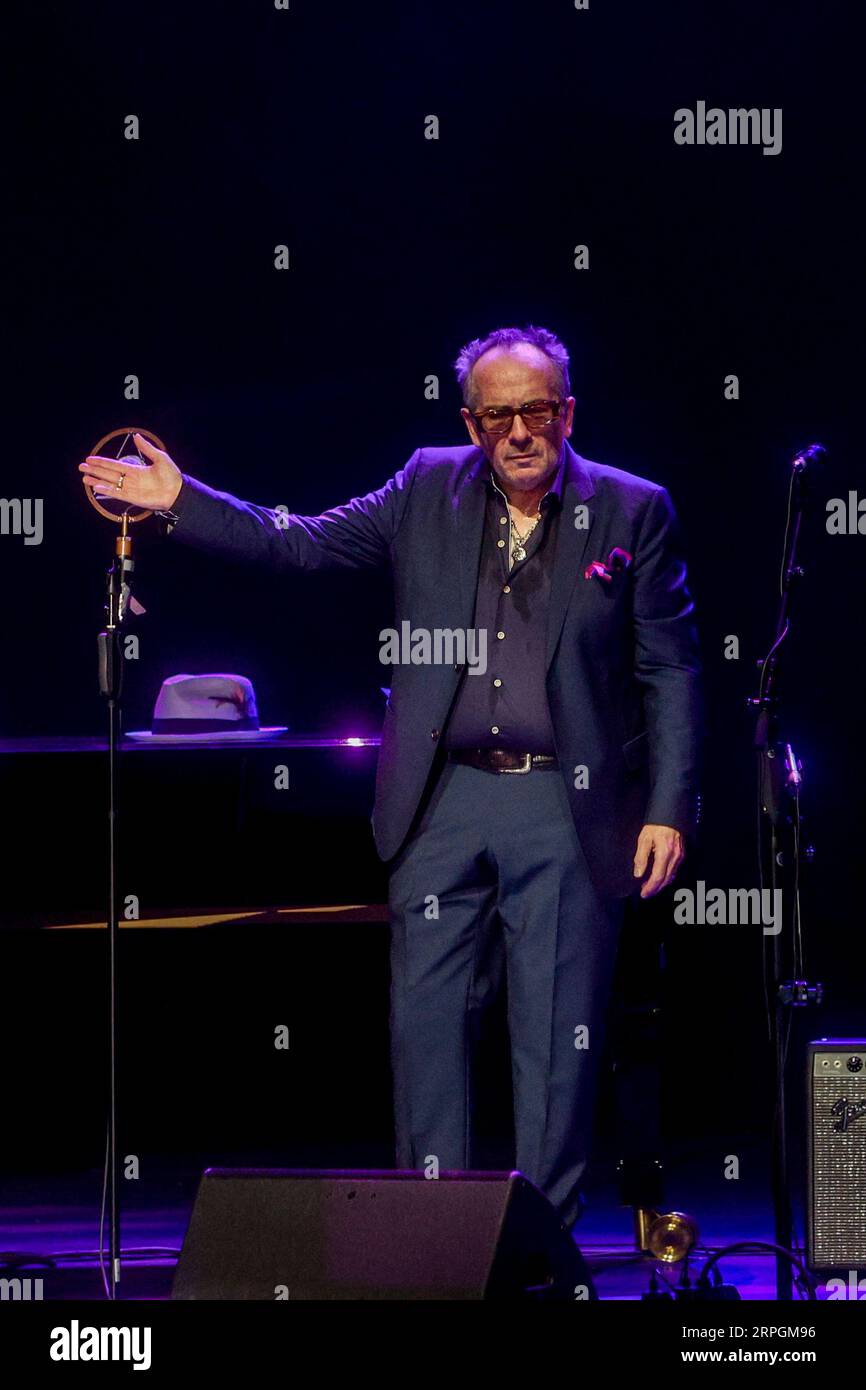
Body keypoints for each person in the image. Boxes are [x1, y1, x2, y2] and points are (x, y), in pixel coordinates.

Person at [79, 325, 702, 1229]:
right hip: (440, 800)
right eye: (498, 417)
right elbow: (300, 544)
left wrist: (668, 806)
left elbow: (672, 670)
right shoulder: (424, 487)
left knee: (557, 1041)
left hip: (565, 805)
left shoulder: (632, 510)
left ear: (567, 412)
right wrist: (182, 502)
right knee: (426, 1031)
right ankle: (435, 1241)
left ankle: (538, 1250)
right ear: (471, 421)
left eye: (537, 411)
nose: (520, 431)